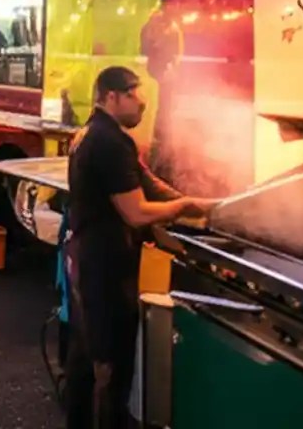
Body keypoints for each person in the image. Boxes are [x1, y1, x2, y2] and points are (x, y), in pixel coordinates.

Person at [63, 67, 217, 429]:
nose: (144, 101)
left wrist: (209, 205)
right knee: (110, 367)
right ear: (111, 96)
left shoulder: (97, 134)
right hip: (105, 269)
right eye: (134, 93)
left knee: (85, 357)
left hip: (88, 260)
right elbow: (136, 212)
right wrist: (181, 208)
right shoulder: (108, 142)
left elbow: (148, 184)